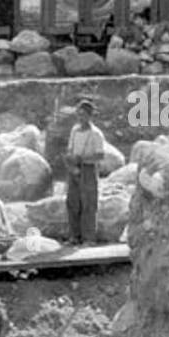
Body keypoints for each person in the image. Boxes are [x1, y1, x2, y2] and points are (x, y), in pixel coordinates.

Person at [65, 98, 106, 245]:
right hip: (73, 168)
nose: (80, 118)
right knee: (73, 202)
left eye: (83, 115)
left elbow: (100, 155)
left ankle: (89, 238)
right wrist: (70, 161)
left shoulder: (96, 134)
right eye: (79, 114)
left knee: (88, 203)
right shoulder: (74, 131)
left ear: (89, 116)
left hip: (88, 168)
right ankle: (74, 236)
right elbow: (70, 149)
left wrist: (82, 158)